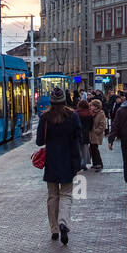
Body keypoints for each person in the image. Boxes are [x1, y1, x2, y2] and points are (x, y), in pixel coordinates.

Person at [36, 88, 83, 244]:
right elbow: (79, 139)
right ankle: (63, 222)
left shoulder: (45, 117)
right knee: (66, 195)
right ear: (65, 101)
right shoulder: (73, 116)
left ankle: (54, 229)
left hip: (52, 161)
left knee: (52, 195)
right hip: (69, 160)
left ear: (51, 102)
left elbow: (39, 141)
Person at [87, 97, 107, 171]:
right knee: (92, 149)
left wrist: (96, 131)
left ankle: (99, 163)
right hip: (91, 134)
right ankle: (95, 163)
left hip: (96, 134)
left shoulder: (101, 113)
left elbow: (103, 124)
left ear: (96, 106)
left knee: (95, 149)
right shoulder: (91, 113)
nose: (91, 106)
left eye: (92, 105)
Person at [75, 97, 94, 171]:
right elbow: (91, 125)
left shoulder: (76, 113)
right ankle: (84, 164)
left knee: (78, 149)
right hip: (86, 133)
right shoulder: (89, 114)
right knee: (85, 149)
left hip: (77, 133)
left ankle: (79, 163)